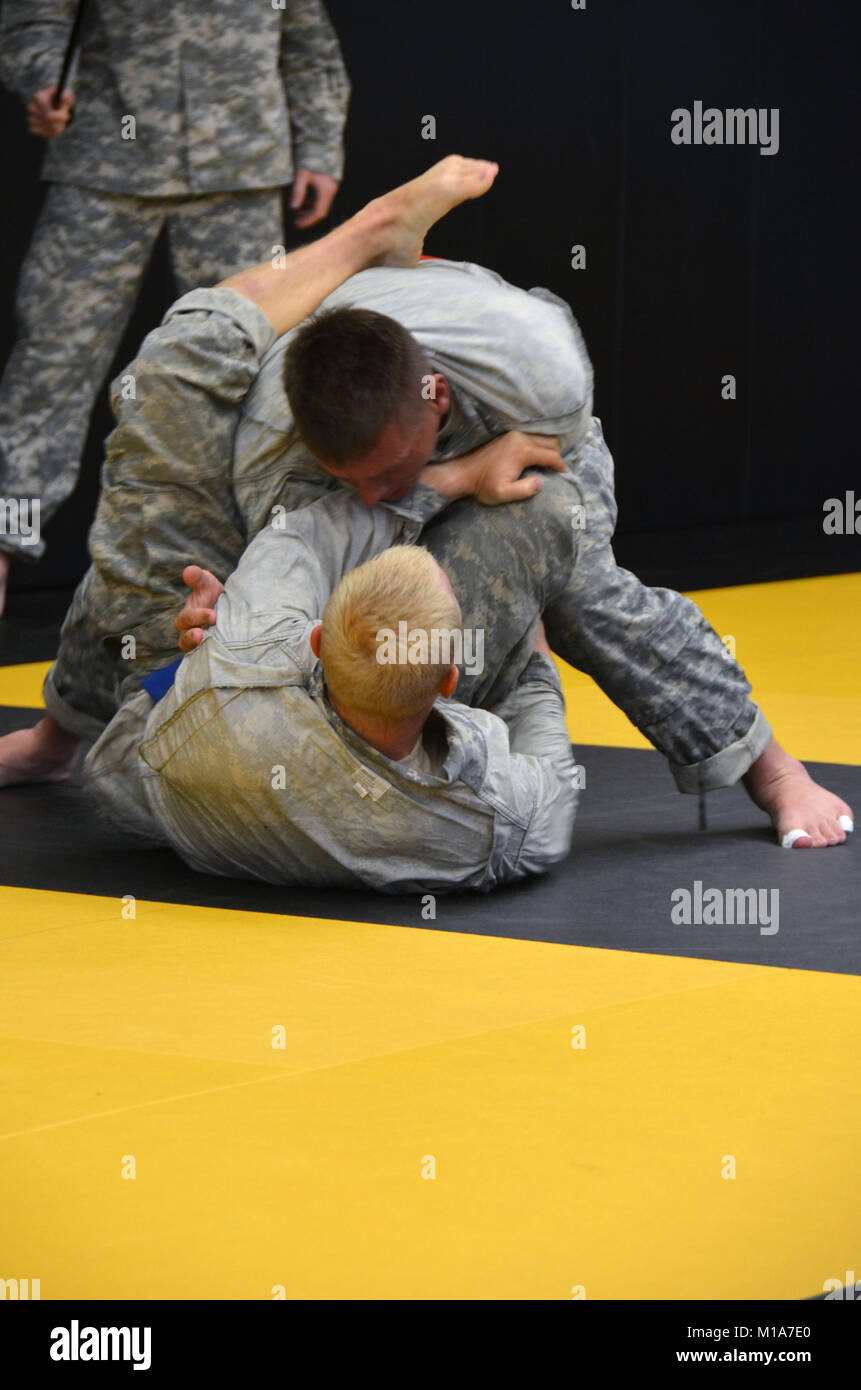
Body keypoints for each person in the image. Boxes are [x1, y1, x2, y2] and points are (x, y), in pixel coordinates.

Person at [0, 155, 853, 852]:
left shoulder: (541, 373)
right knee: (158, 537)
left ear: (437, 399)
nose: (373, 491)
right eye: (355, 478)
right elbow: (318, 549)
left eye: (386, 470)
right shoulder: (280, 448)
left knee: (579, 586)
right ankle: (59, 735)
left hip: (522, 424)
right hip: (352, 399)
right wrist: (225, 614)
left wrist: (492, 495)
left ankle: (771, 768)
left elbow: (556, 511)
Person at [0, 0, 350, 608]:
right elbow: (36, 16)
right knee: (51, 366)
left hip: (238, 163)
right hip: (107, 152)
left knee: (251, 370)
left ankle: (258, 574)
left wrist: (320, 144)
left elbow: (307, 36)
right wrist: (41, 77)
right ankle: (4, 542)